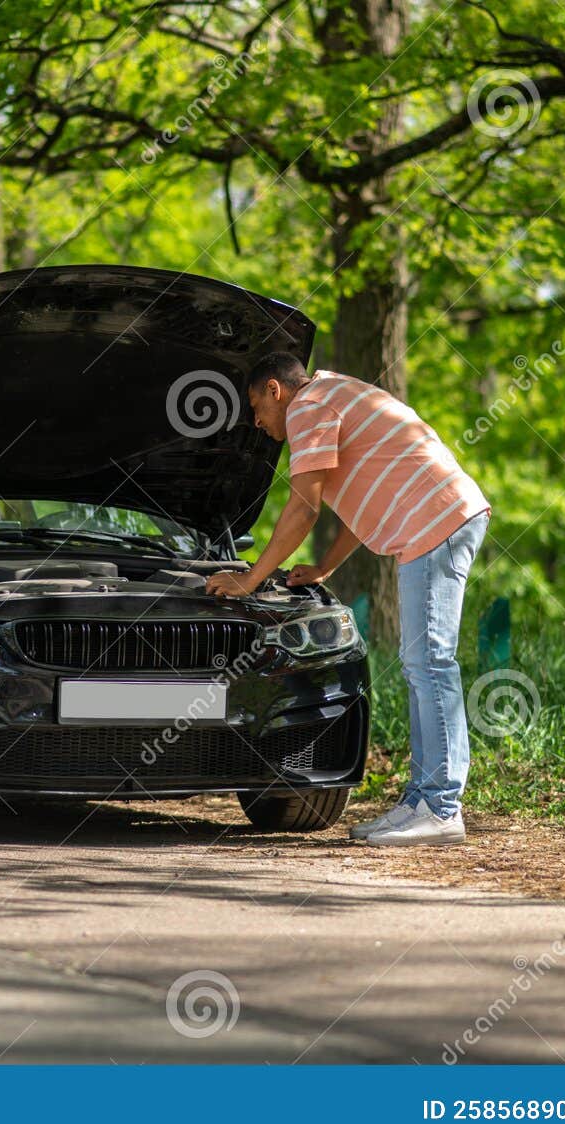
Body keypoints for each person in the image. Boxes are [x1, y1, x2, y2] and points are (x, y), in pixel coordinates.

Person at [206, 352, 491, 847]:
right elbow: (366, 503)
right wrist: (325, 568)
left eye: (255, 406)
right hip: (440, 519)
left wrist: (250, 580)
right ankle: (419, 803)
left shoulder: (308, 406)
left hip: (436, 523)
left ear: (275, 390)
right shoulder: (334, 393)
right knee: (420, 665)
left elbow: (304, 507)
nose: (256, 421)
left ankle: (441, 807)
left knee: (430, 662)